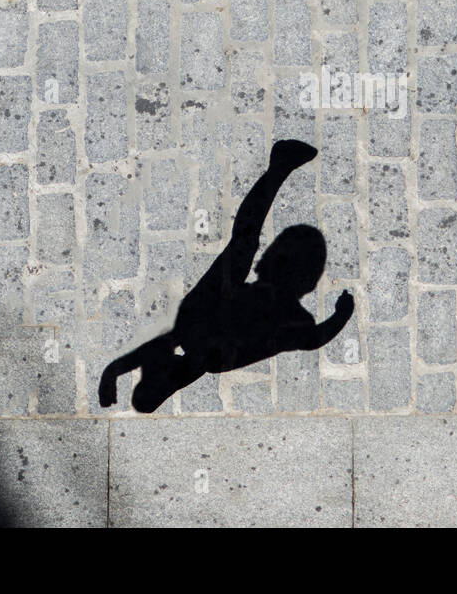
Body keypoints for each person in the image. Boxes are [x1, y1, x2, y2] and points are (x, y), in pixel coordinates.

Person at [99, 140, 354, 412]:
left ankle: (279, 167)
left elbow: (312, 339)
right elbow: (311, 339)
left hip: (216, 304)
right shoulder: (209, 353)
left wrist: (113, 372)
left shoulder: (196, 343)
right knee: (244, 241)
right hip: (234, 308)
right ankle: (279, 167)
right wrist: (341, 314)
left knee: (244, 241)